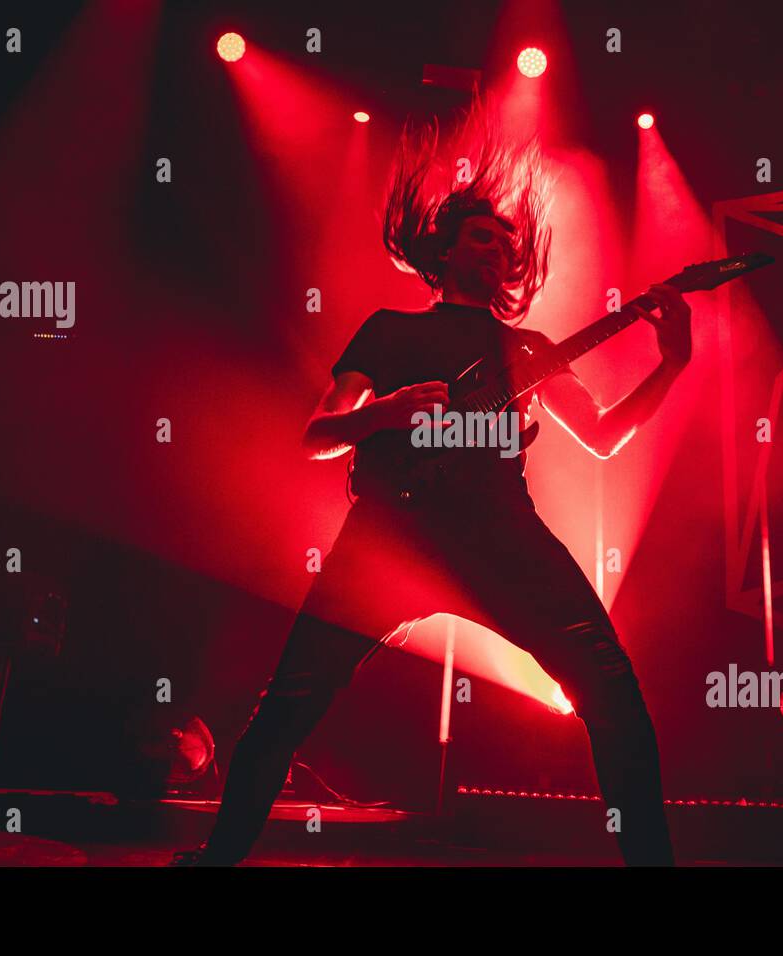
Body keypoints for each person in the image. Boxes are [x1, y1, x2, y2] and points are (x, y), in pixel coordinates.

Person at [173, 108, 691, 867]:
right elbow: (319, 434)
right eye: (483, 236)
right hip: (390, 537)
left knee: (615, 698)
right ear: (443, 251)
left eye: (507, 242)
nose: (499, 249)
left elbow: (606, 437)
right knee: (284, 711)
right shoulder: (389, 331)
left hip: (503, 537)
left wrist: (672, 364)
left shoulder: (530, 349)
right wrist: (379, 412)